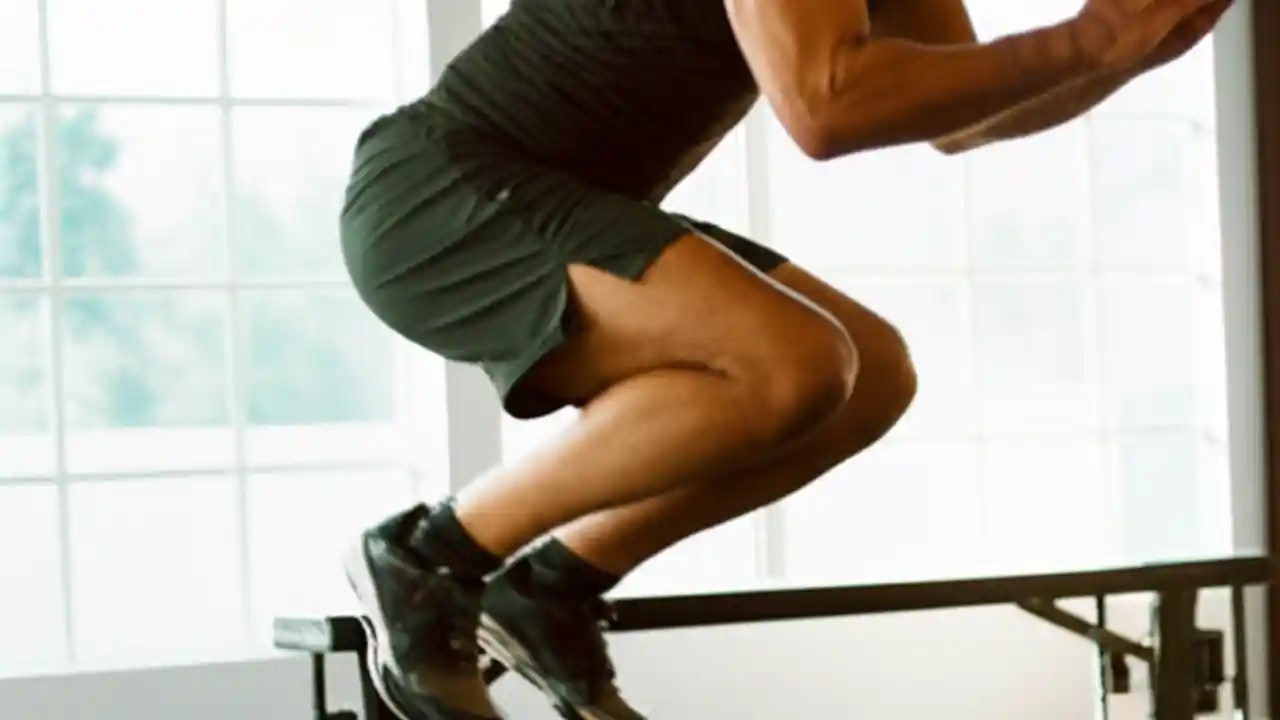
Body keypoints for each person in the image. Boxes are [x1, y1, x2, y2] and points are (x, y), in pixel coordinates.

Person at [338, 0, 1231, 717]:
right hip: (438, 192)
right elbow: (825, 101)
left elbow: (961, 118)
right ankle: (424, 556)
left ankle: (549, 588)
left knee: (871, 375)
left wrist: (1125, 51)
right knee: (793, 360)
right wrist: (1091, 36)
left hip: (547, 199)